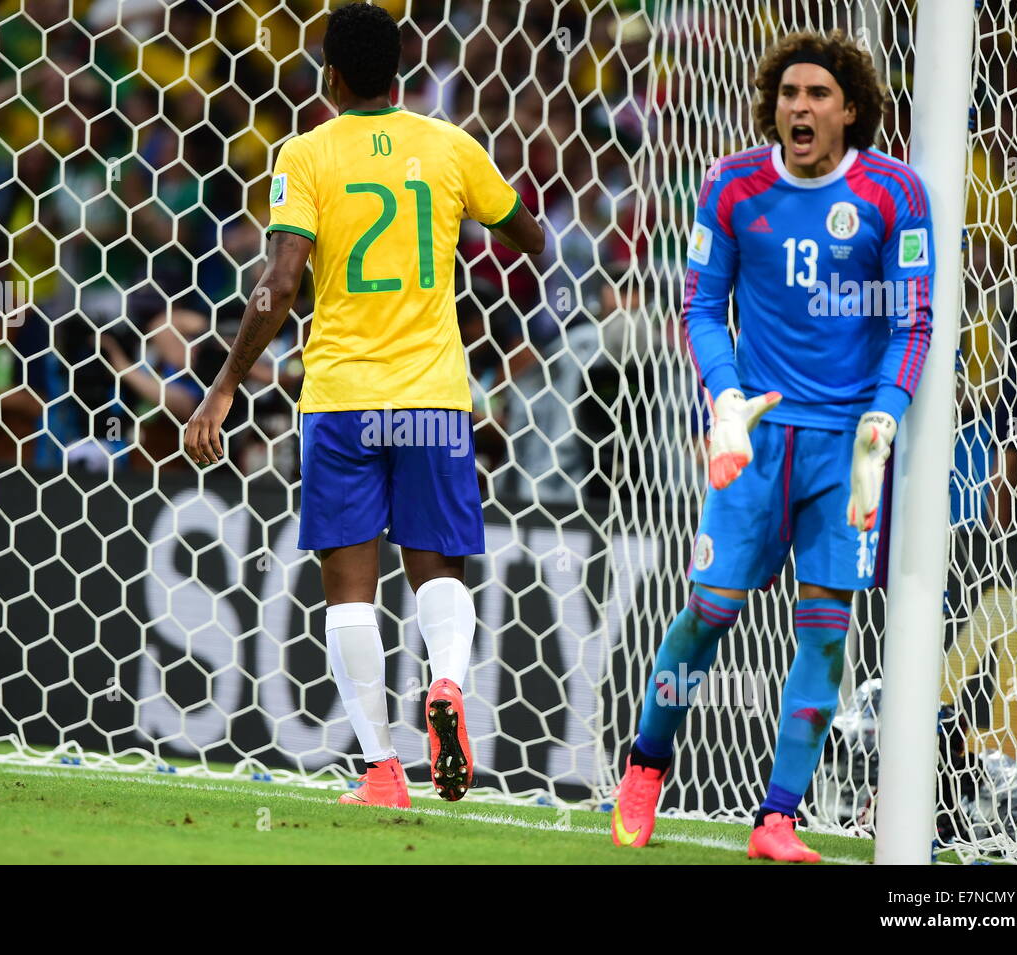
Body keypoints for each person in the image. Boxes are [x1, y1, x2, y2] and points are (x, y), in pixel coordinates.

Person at [183, 3, 544, 808]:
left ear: (331, 76)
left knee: (350, 585)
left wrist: (224, 383)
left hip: (341, 399)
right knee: (436, 568)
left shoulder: (305, 154)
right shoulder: (450, 147)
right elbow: (531, 237)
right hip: (432, 399)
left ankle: (381, 769)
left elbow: (277, 286)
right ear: (402, 67)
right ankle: (446, 685)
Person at [610, 30, 935, 862]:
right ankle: (648, 761)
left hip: (846, 448)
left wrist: (886, 415)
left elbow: (913, 321)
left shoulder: (895, 194)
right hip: (753, 435)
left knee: (826, 630)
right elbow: (700, 306)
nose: (801, 105)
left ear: (851, 108)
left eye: (819, 95)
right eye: (790, 92)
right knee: (709, 612)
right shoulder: (730, 184)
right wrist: (723, 398)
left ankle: (778, 817)